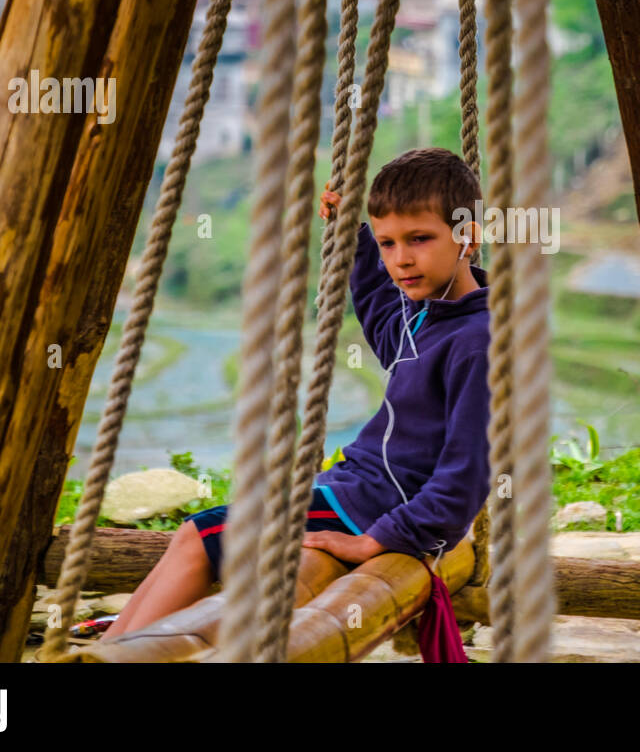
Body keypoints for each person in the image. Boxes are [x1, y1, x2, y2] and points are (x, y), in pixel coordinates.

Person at [101, 147, 492, 640]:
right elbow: (378, 310)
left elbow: (466, 475)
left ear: (469, 236)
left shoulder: (479, 342)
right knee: (203, 533)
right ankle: (110, 645)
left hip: (374, 504)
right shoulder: (427, 315)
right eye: (389, 243)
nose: (401, 260)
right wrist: (355, 237)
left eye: (419, 239)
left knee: (203, 537)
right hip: (356, 490)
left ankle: (112, 652)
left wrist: (384, 539)